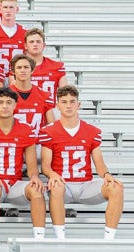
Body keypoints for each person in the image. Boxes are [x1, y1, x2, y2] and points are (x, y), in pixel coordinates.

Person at [40, 85, 124, 240]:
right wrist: (52, 175)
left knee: (116, 187)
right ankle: (60, 238)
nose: (68, 105)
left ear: (78, 105)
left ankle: (109, 239)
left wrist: (106, 175)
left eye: (72, 101)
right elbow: (45, 165)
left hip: (86, 185)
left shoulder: (91, 131)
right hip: (63, 186)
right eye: (64, 102)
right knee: (56, 186)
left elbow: (99, 162)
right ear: (57, 105)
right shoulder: (48, 131)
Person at [0, 87, 45, 245]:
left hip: (16, 183)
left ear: (15, 105)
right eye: (0, 102)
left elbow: (32, 166)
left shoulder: (26, 129)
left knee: (37, 191)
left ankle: (40, 241)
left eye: (8, 102)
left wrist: (34, 178)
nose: (4, 106)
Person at [9, 54, 55, 136]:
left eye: (26, 67)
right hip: (15, 143)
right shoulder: (5, 94)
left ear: (32, 70)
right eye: (19, 67)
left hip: (37, 143)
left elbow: (51, 126)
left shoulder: (44, 95)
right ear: (13, 71)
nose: (22, 70)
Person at [0, 0, 27, 75]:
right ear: (0, 10)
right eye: (5, 7)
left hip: (18, 78)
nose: (8, 10)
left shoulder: (25, 33)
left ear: (17, 9)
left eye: (11, 7)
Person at [24, 28, 68, 100]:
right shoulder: (19, 67)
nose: (35, 44)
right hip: (26, 109)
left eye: (38, 42)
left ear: (44, 45)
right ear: (25, 45)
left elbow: (65, 96)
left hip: (49, 109)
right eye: (31, 42)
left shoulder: (56, 66)